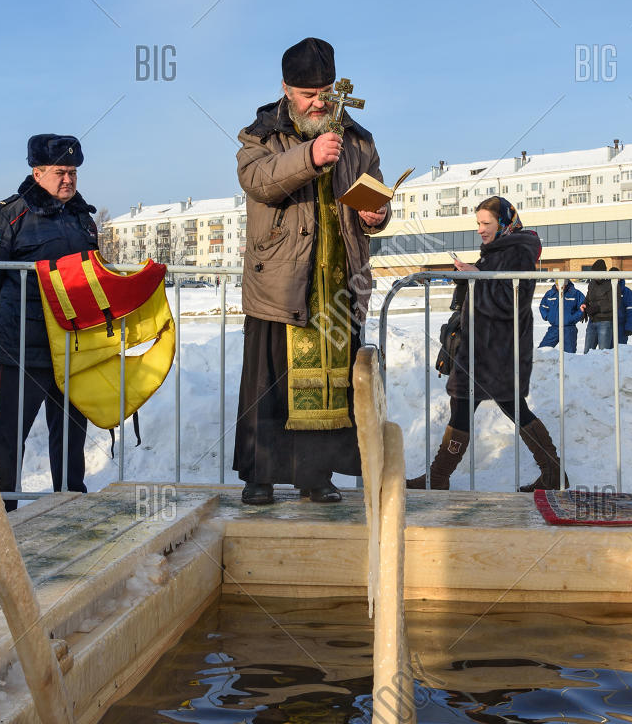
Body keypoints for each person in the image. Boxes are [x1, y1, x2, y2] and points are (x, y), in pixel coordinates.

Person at [233, 37, 390, 506]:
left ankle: (315, 476)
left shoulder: (358, 140)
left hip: (338, 285)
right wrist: (309, 156)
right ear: (285, 89)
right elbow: (257, 182)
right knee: (270, 388)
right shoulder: (260, 135)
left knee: (331, 387)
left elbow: (374, 194)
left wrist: (376, 215)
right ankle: (259, 477)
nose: (319, 102)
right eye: (308, 94)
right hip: (281, 283)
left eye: (325, 92)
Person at [0, 134, 97, 512]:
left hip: (73, 345)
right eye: (60, 172)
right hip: (23, 345)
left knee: (71, 431)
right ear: (37, 173)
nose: (68, 180)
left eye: (72, 172)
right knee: (9, 431)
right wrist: (3, 325)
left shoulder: (83, 219)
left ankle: (69, 502)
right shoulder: (6, 215)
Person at [408, 196, 566, 492]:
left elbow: (513, 301)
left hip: (499, 349)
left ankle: (552, 472)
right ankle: (439, 477)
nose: (480, 230)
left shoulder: (518, 252)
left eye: (486, 223)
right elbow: (492, 285)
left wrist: (478, 278)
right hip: (483, 348)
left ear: (504, 222)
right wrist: (469, 277)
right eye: (478, 224)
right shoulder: (500, 249)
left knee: (510, 408)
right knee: (469, 406)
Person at [538, 278, 584, 352]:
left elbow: (582, 308)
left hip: (569, 329)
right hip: (554, 328)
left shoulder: (575, 293)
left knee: (569, 355)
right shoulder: (550, 293)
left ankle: (568, 364)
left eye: (563, 285)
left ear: (566, 283)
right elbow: (543, 306)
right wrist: (548, 316)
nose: (560, 287)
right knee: (542, 350)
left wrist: (572, 318)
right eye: (557, 285)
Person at [581, 259, 616, 352]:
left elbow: (615, 303)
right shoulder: (592, 283)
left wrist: (598, 308)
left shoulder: (611, 284)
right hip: (592, 322)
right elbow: (588, 297)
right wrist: (584, 305)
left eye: (597, 273)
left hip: (605, 322)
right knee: (587, 352)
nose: (595, 276)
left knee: (603, 352)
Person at [611, 268, 632, 344]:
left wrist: (629, 327)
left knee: (620, 351)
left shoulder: (627, 292)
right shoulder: (604, 290)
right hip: (606, 326)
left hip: (621, 328)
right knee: (605, 353)